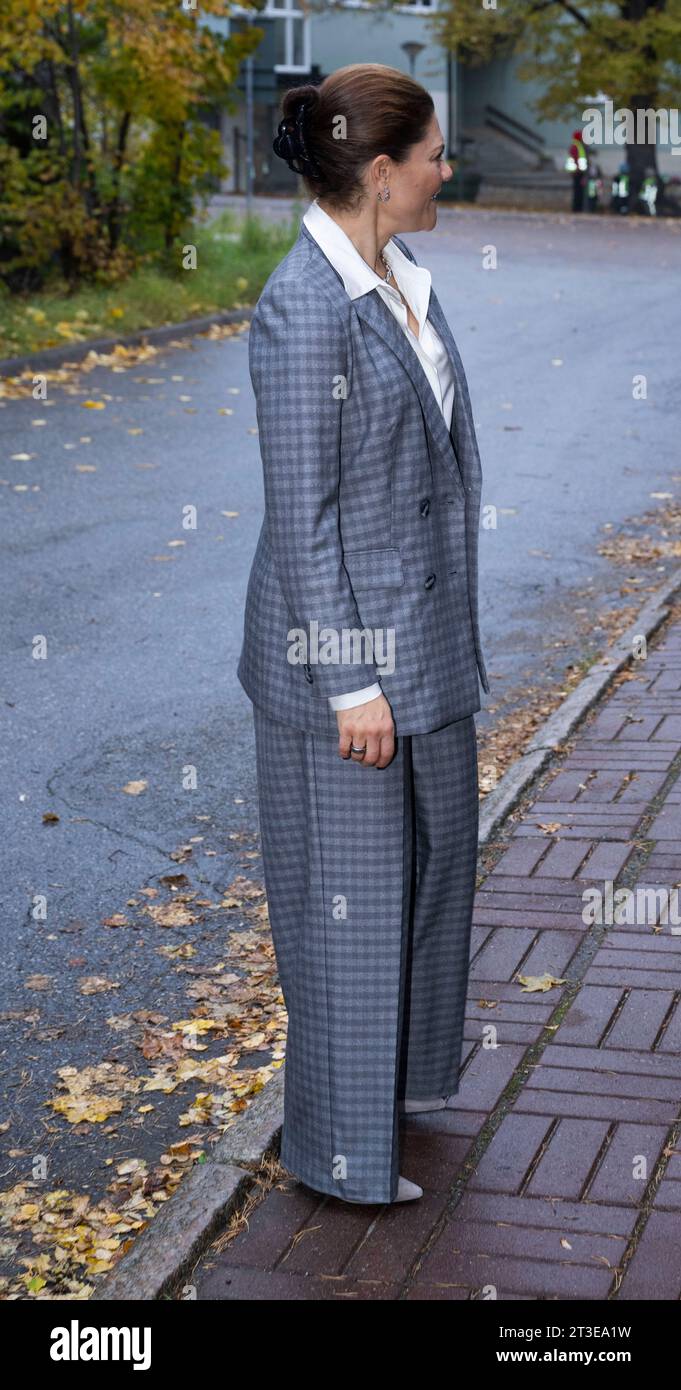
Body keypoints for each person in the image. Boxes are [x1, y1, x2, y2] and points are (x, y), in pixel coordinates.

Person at [237, 63, 490, 1207]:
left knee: (434, 881)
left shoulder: (400, 277)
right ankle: (339, 1159)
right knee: (350, 912)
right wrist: (350, 687)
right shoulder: (300, 307)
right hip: (346, 670)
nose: (451, 168)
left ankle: (397, 1087)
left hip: (428, 648)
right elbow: (306, 517)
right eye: (436, 152)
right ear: (382, 174)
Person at [565, 127, 588, 211]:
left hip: (577, 172)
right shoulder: (577, 146)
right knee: (578, 192)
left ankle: (577, 208)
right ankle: (577, 209)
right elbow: (576, 159)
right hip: (578, 172)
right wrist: (580, 169)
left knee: (578, 191)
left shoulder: (576, 145)